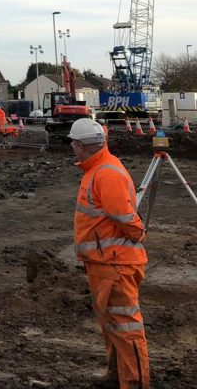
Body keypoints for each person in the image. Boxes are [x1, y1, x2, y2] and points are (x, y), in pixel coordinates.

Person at [69, 118, 149, 389]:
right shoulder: (97, 169)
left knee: (125, 327)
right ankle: (117, 375)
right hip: (104, 262)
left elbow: (125, 217)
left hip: (116, 264)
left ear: (81, 146)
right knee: (112, 323)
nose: (72, 148)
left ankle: (134, 383)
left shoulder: (106, 173)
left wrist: (139, 234)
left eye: (73, 144)